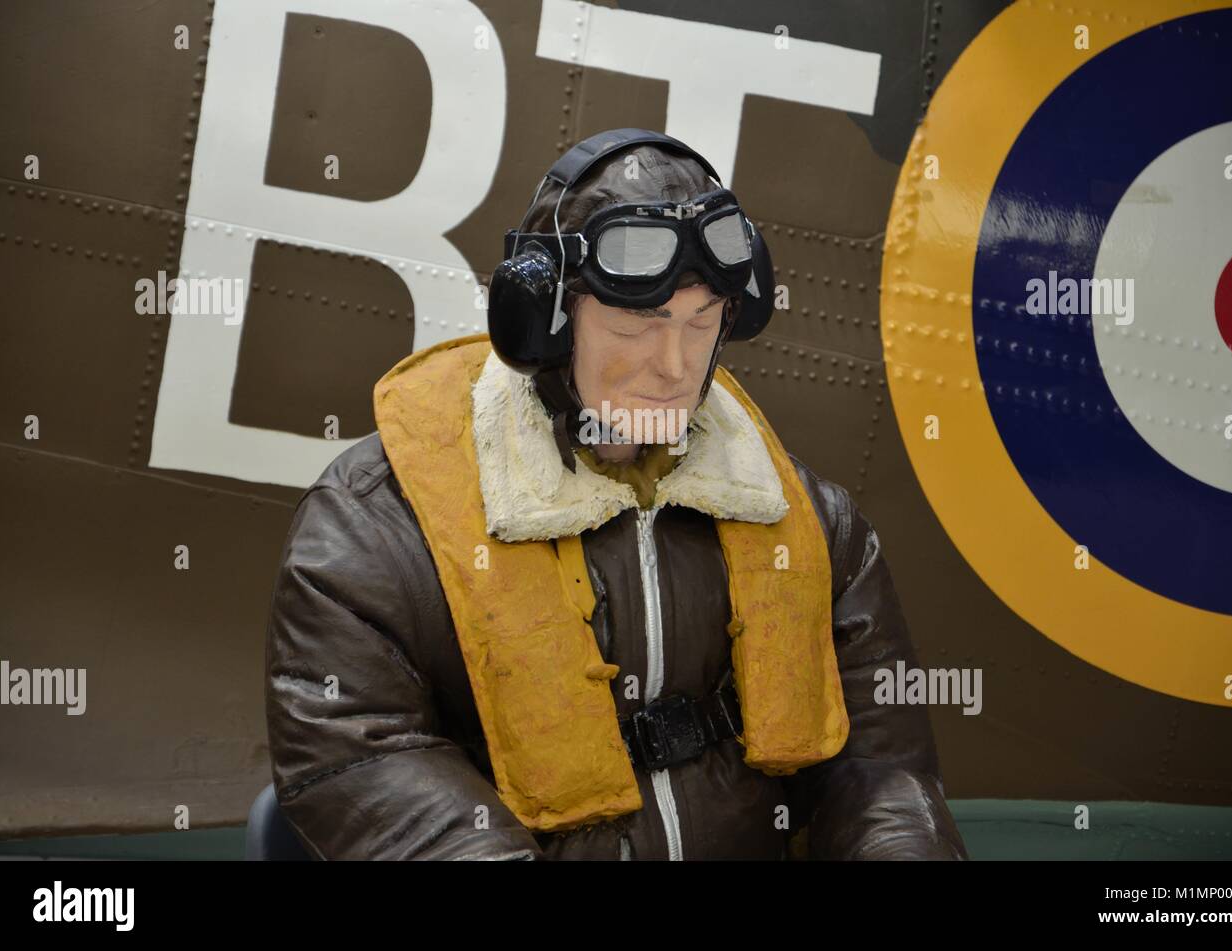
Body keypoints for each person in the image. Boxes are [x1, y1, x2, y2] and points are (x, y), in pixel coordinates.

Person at [264, 128, 968, 861]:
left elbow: (882, 773)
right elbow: (359, 757)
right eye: (638, 322)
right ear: (547, 322)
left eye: (702, 323)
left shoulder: (817, 529)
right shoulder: (376, 527)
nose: (674, 366)